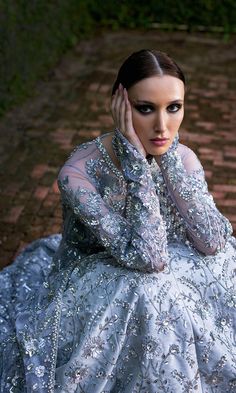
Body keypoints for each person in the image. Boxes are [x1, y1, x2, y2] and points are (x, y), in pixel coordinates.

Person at [0, 49, 235, 393]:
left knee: (223, 261)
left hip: (161, 264)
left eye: (173, 107)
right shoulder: (78, 171)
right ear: (119, 104)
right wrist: (136, 164)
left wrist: (168, 162)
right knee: (148, 290)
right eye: (145, 108)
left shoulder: (181, 157)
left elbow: (213, 241)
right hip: (95, 274)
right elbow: (149, 258)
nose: (162, 125)